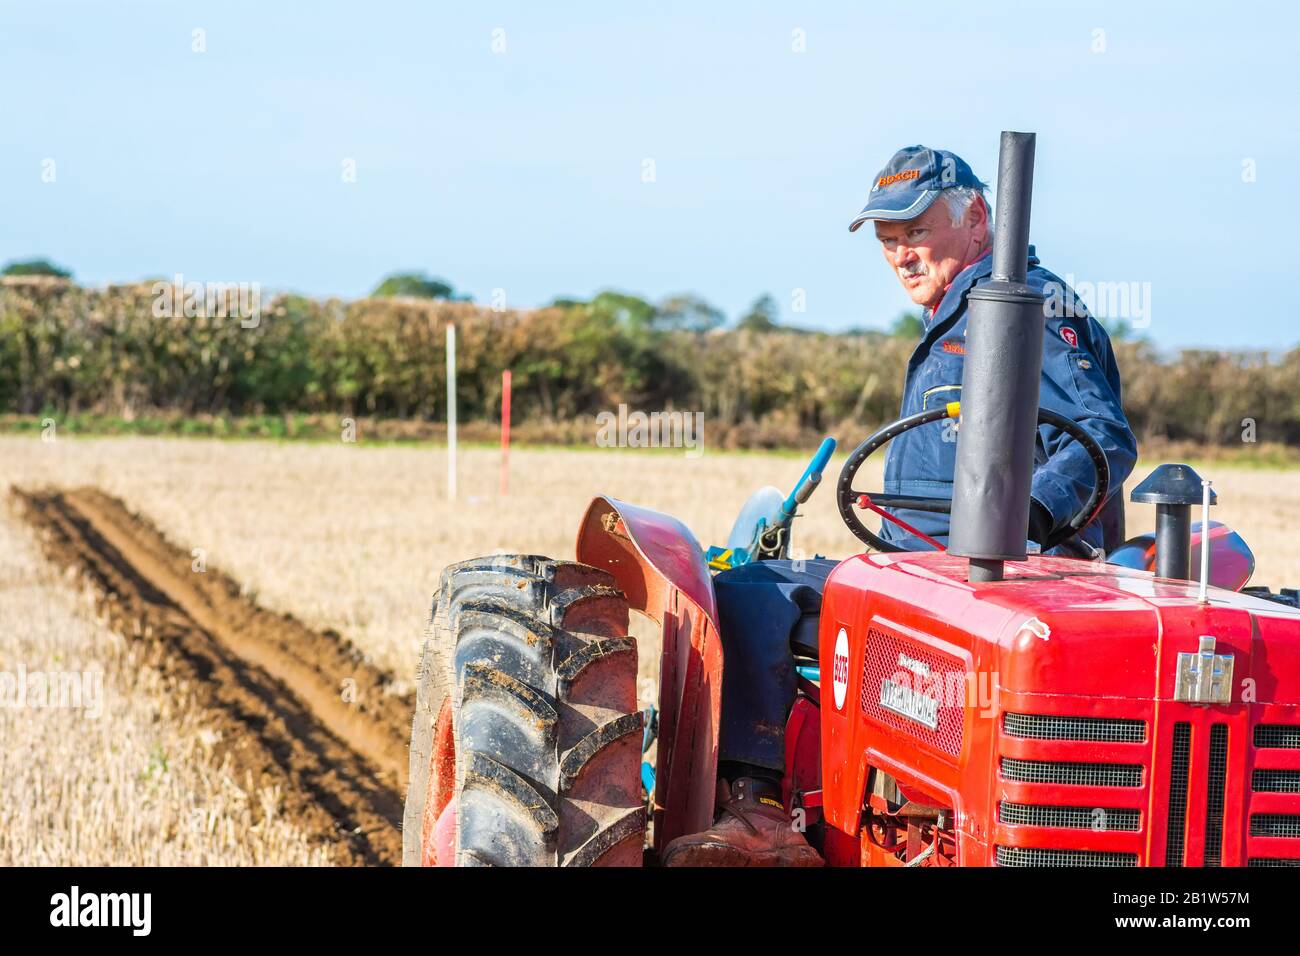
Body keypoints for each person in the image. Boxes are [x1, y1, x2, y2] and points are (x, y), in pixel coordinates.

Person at [661, 145, 1138, 867]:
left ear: (978, 217)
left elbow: (1102, 439)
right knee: (761, 586)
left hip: (984, 570)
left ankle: (758, 818)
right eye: (887, 239)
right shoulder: (955, 313)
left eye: (914, 231)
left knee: (752, 593)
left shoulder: (1030, 307)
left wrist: (1024, 522)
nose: (898, 252)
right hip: (919, 564)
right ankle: (771, 811)